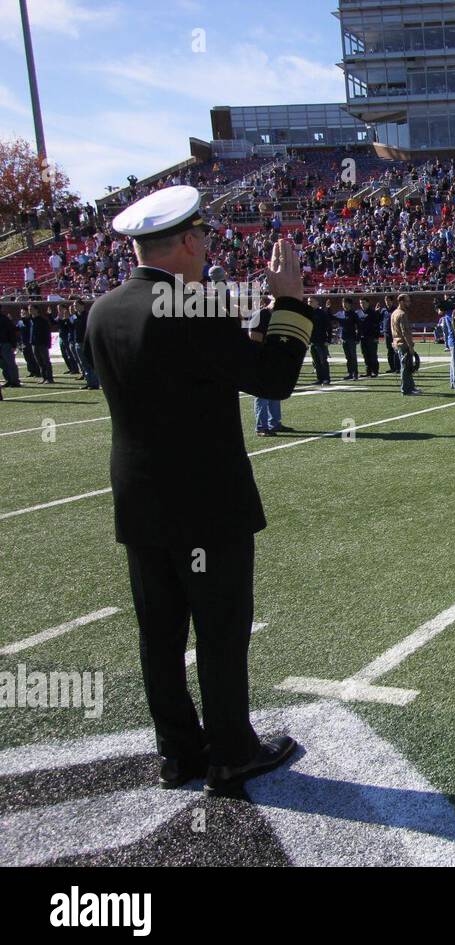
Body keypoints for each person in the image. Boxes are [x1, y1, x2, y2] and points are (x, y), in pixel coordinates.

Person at [82, 185, 305, 792]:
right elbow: (275, 380)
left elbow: (175, 374)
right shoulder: (193, 307)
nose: (207, 245)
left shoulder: (102, 310)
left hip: (139, 496)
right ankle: (231, 750)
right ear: (186, 240)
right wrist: (291, 305)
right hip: (206, 502)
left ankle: (177, 752)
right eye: (202, 235)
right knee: (220, 630)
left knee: (159, 633)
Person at [249, 297, 288, 435]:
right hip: (262, 359)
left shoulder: (277, 317)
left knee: (274, 392)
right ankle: (261, 427)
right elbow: (254, 338)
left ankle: (275, 423)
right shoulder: (261, 315)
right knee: (262, 394)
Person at [391, 293, 422, 396]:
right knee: (406, 367)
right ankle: (406, 389)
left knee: (407, 366)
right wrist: (410, 346)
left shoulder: (394, 313)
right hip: (404, 344)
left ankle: (411, 387)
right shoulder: (402, 314)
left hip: (397, 342)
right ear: (401, 301)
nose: (409, 303)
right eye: (407, 301)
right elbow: (405, 332)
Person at [307, 295, 333, 386]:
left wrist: (328, 340)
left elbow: (329, 327)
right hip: (312, 341)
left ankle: (326, 379)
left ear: (317, 302)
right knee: (316, 362)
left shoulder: (322, 313)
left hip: (321, 341)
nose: (309, 303)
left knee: (323, 361)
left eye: (311, 301)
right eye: (308, 301)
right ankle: (319, 379)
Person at [337, 296, 361, 380]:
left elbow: (359, 326)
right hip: (344, 338)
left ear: (350, 304)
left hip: (351, 338)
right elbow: (331, 318)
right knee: (348, 357)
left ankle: (355, 374)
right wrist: (328, 309)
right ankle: (350, 373)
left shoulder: (353, 314)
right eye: (343, 303)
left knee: (353, 356)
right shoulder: (341, 313)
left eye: (345, 303)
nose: (344, 305)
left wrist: (358, 338)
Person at [359, 296, 382, 377]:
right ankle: (368, 371)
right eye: (361, 303)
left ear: (368, 303)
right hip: (362, 337)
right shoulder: (359, 313)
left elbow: (377, 325)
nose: (362, 304)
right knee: (365, 355)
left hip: (371, 337)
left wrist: (376, 337)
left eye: (364, 303)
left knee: (373, 355)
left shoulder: (373, 313)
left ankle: (374, 371)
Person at [0, 306, 20, 389]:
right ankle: (8, 380)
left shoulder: (4, 319)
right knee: (2, 364)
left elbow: (12, 332)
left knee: (10, 363)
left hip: (5, 343)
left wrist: (13, 345)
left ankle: (15, 381)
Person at [381, 294, 400, 373]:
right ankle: (392, 367)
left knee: (396, 350)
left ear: (392, 301)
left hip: (395, 333)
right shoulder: (383, 310)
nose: (387, 302)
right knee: (389, 351)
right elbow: (380, 319)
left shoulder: (396, 310)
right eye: (386, 301)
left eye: (388, 301)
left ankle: (398, 368)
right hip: (387, 333)